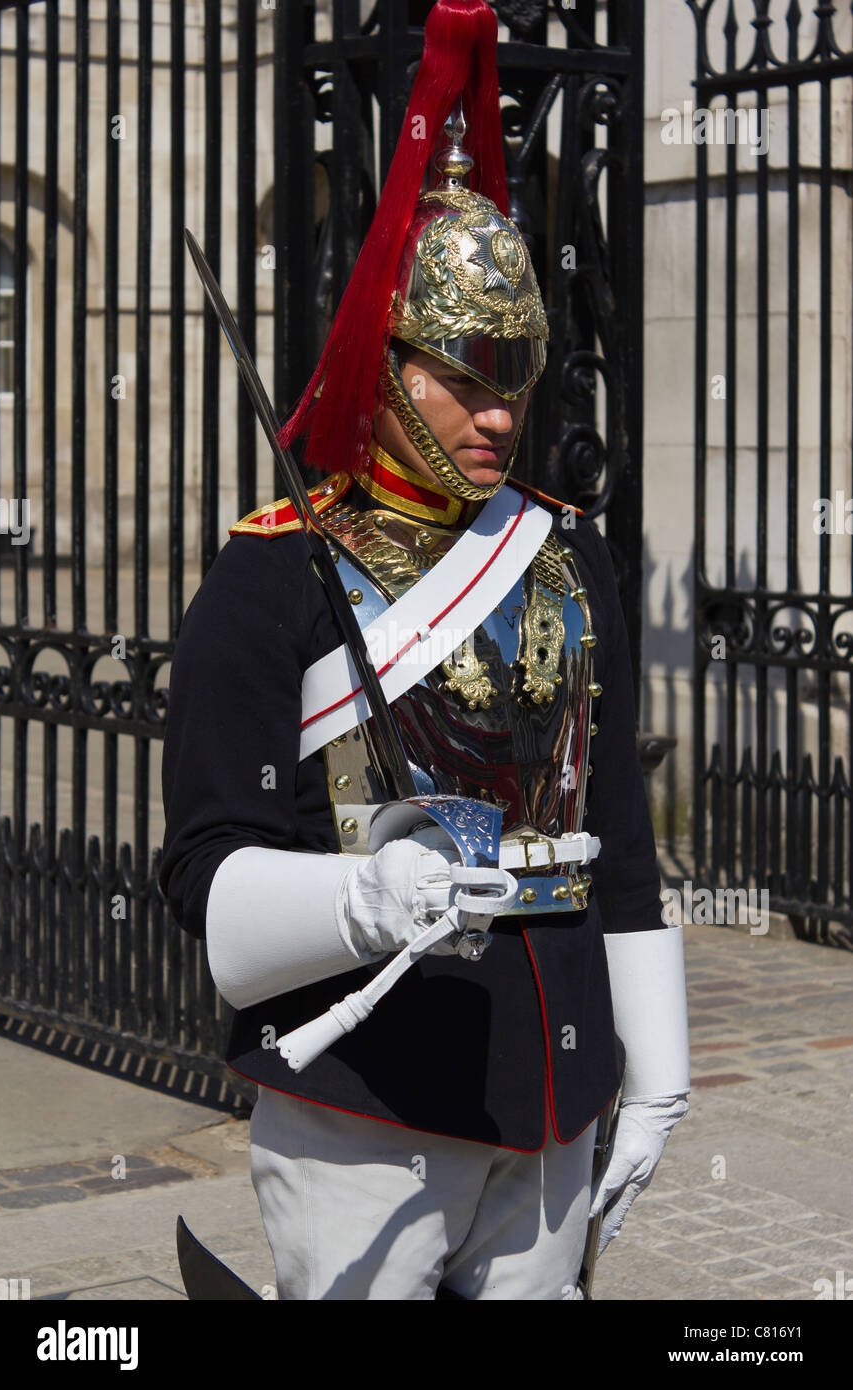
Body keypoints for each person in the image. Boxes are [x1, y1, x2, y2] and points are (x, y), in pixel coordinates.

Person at [160, 0, 689, 1301]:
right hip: (366, 1098)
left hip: (555, 1088)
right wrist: (356, 899)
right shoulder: (276, 563)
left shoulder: (568, 554)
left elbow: (610, 830)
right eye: (463, 371)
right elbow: (203, 865)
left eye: (518, 371)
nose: (499, 410)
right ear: (385, 362)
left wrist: (655, 1059)